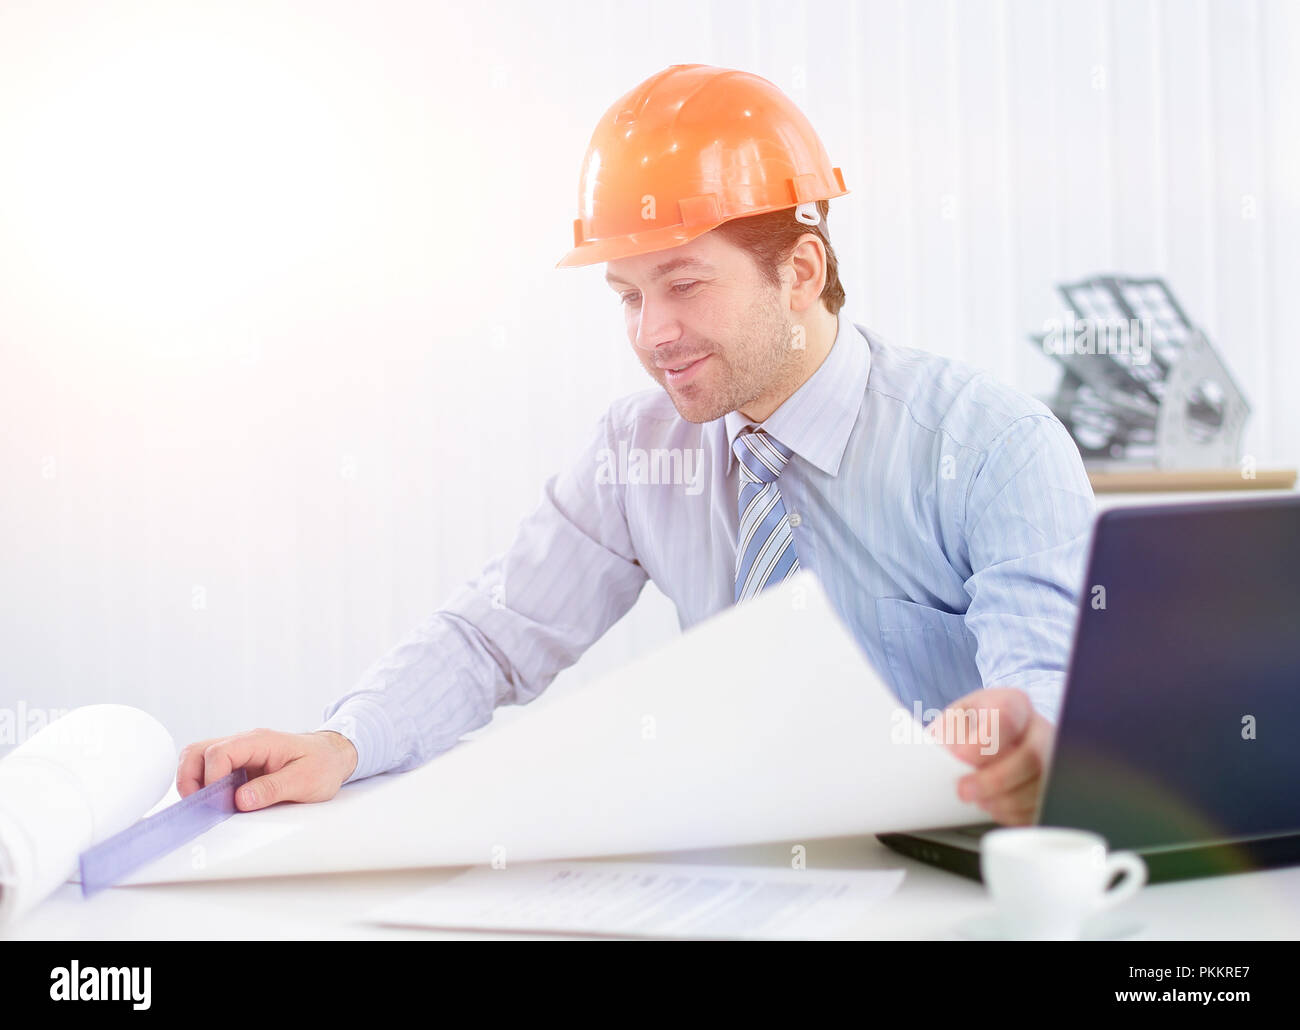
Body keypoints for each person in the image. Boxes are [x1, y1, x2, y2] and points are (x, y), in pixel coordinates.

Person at [178, 64, 1093, 828]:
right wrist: (345, 741)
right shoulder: (639, 450)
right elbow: (495, 636)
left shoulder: (991, 447)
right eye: (628, 296)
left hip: (957, 873)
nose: (653, 333)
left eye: (684, 284)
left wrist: (1032, 741)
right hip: (749, 871)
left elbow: (1054, 684)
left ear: (801, 273)